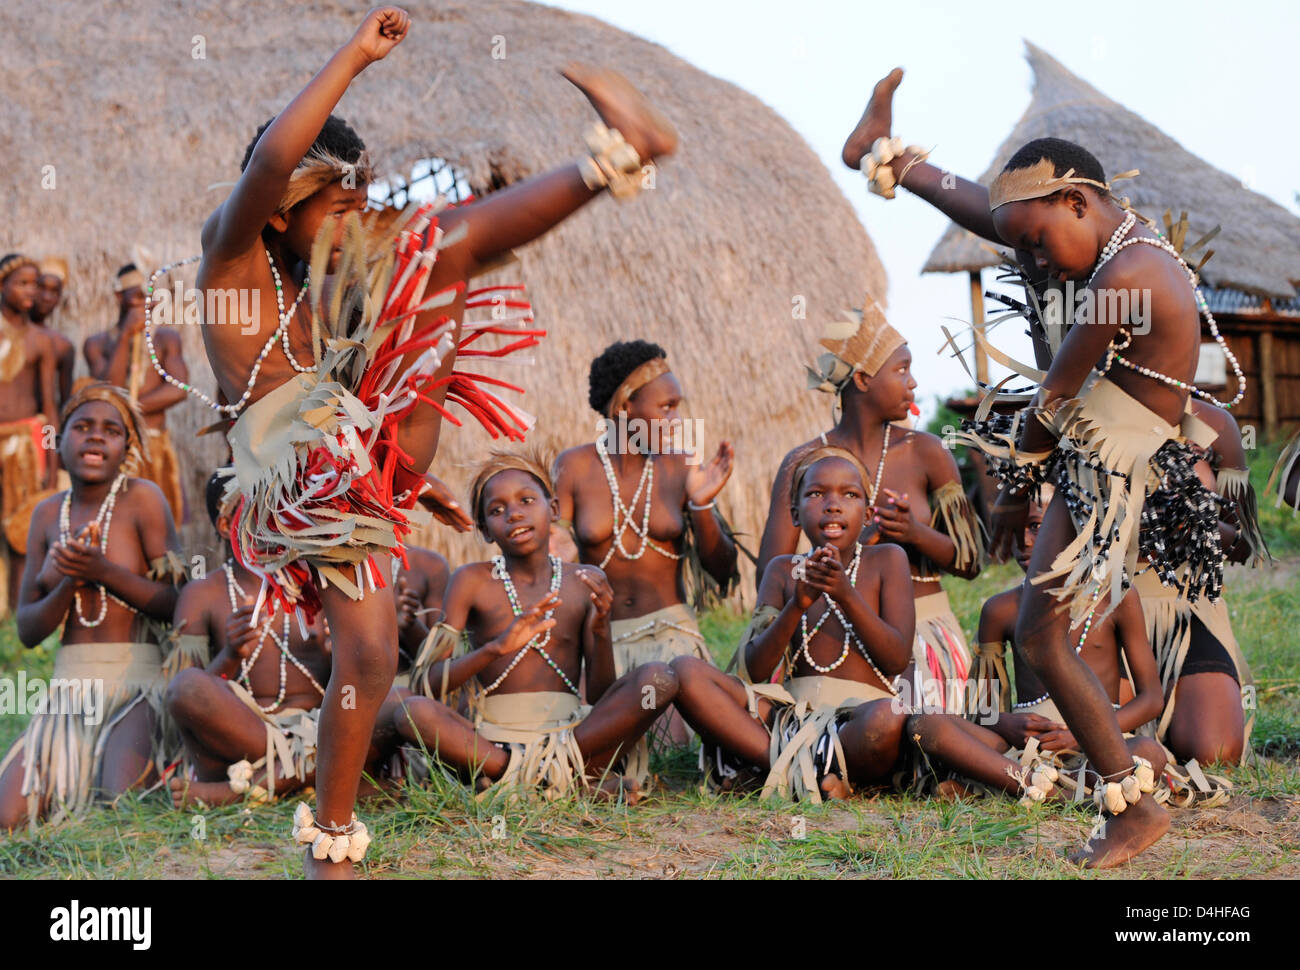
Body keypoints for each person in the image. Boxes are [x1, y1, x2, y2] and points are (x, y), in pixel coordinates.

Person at [156, 6, 677, 876]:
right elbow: (277, 159)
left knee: (436, 255)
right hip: (298, 481)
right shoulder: (232, 254)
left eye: (363, 201)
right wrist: (355, 57)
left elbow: (358, 390)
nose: (359, 221)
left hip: (357, 468)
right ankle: (332, 846)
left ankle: (615, 157)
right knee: (367, 651)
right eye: (340, 203)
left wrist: (402, 483)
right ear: (280, 208)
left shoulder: (331, 296)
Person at [940, 131, 1245, 867]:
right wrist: (901, 167)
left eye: (1038, 244)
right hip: (1104, 451)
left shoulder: (1123, 277)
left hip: (1104, 463)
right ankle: (1128, 796)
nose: (1035, 263)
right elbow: (1003, 216)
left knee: (1040, 634)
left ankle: (1130, 803)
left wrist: (1013, 500)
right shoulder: (1124, 246)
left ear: (1076, 200)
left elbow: (1054, 399)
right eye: (1024, 251)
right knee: (1039, 633)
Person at [674, 448, 1068, 805]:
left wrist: (846, 595)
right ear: (795, 513)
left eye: (849, 495)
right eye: (816, 495)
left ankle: (787, 772)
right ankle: (801, 770)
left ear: (866, 514)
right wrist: (798, 603)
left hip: (860, 720)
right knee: (685, 672)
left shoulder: (887, 561)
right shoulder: (782, 571)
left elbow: (896, 657)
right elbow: (757, 670)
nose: (832, 506)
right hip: (792, 718)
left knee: (888, 718)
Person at [401, 453, 676, 801]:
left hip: (574, 737)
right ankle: (564, 785)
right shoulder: (471, 580)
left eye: (527, 500)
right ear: (484, 530)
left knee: (658, 679)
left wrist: (602, 630)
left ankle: (527, 784)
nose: (514, 513)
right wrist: (496, 648)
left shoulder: (584, 581)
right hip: (492, 741)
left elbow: (601, 694)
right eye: (497, 510)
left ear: (555, 508)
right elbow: (427, 683)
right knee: (412, 711)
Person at [760, 298, 984, 717]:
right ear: (862, 379)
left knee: (922, 734)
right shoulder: (804, 463)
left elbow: (971, 562)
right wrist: (854, 543)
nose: (913, 383)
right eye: (901, 370)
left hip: (925, 635)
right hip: (825, 636)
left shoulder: (926, 452)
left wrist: (912, 532)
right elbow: (772, 573)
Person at [0, 383, 184, 829]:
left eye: (111, 430)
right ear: (59, 441)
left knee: (116, 805)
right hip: (68, 693)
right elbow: (27, 629)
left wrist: (104, 572)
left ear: (128, 447)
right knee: (7, 817)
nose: (96, 437)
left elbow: (177, 604)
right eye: (82, 427)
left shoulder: (143, 499)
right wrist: (69, 581)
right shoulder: (46, 514)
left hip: (137, 687)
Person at [553, 340, 737, 782]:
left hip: (673, 641)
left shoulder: (678, 467)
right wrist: (560, 551)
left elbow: (724, 572)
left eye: (678, 407)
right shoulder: (574, 467)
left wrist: (701, 506)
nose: (676, 419)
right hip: (602, 649)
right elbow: (550, 560)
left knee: (668, 758)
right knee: (595, 749)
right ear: (624, 407)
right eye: (666, 407)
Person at [165, 471, 333, 809]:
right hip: (245, 737)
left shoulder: (322, 581)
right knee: (186, 686)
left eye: (280, 505)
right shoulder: (203, 593)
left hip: (318, 732)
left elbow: (356, 680)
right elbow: (186, 702)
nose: (274, 517)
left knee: (383, 704)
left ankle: (242, 791)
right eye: (260, 507)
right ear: (227, 525)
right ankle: (302, 780)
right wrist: (229, 655)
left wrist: (337, 654)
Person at [84, 264, 189, 526]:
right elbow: (107, 388)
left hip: (153, 447)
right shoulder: (97, 343)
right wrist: (125, 337)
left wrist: (126, 407)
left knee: (157, 529)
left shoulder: (166, 338)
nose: (147, 302)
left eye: (151, 295)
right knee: (113, 525)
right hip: (114, 449)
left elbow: (178, 388)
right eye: (139, 295)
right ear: (119, 297)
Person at [0, 254, 60, 614]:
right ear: (2, 285)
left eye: (35, 284)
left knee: (21, 534)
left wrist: (51, 463)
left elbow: (50, 406)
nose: (31, 291)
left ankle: (17, 619)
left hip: (25, 447)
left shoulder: (41, 341)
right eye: (22, 283)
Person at [29, 257, 76, 406]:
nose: (46, 297)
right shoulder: (6, 332)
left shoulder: (63, 345)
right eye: (41, 287)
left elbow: (65, 403)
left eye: (54, 291)